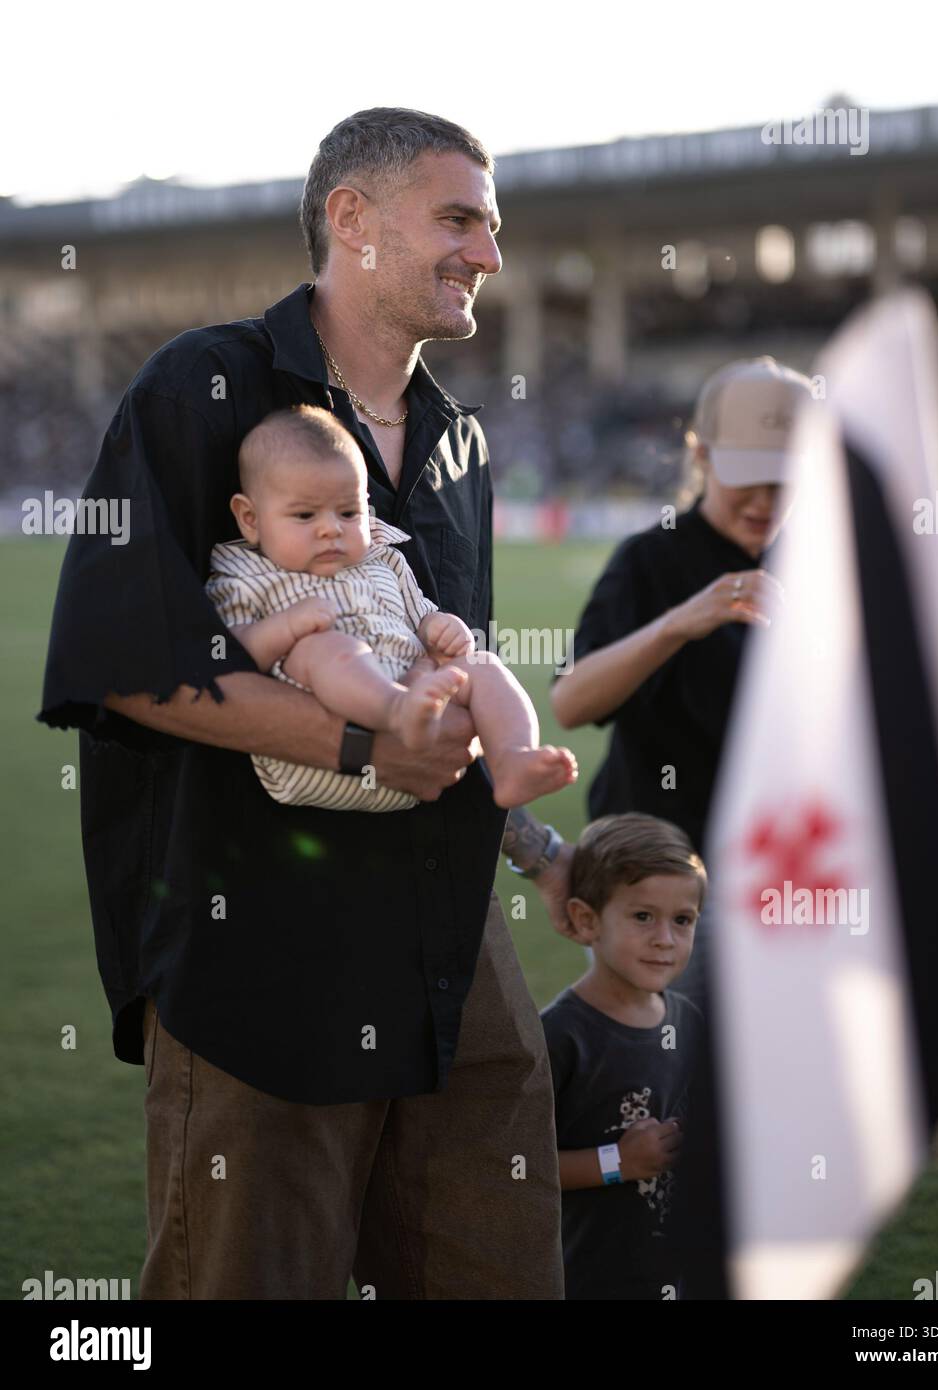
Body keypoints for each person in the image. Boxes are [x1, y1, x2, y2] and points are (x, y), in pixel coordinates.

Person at [38, 107, 567, 1300]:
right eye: (458, 220)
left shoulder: (458, 441)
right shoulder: (201, 384)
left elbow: (446, 670)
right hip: (259, 965)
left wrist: (534, 843)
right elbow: (118, 658)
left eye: (491, 227)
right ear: (352, 221)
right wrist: (358, 741)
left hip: (457, 959)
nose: (488, 253)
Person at [548, 357, 814, 1005]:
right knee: (669, 1077)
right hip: (660, 881)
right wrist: (679, 623)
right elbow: (571, 701)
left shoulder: (817, 561)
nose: (764, 501)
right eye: (747, 478)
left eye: (785, 482)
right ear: (700, 453)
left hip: (783, 868)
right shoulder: (653, 558)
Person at [207, 404, 577, 810]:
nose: (331, 527)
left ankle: (512, 760)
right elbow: (228, 658)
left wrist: (440, 626)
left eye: (348, 512)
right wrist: (286, 629)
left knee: (484, 663)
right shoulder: (244, 570)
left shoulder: (384, 559)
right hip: (322, 752)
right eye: (305, 514)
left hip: (418, 736)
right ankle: (399, 711)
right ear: (250, 519)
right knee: (328, 649)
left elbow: (420, 619)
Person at [540, 814, 707, 1300]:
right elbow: (514, 1168)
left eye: (683, 920)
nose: (664, 939)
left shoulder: (686, 1019)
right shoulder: (560, 1037)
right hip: (591, 1278)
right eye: (642, 916)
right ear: (586, 918)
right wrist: (617, 1162)